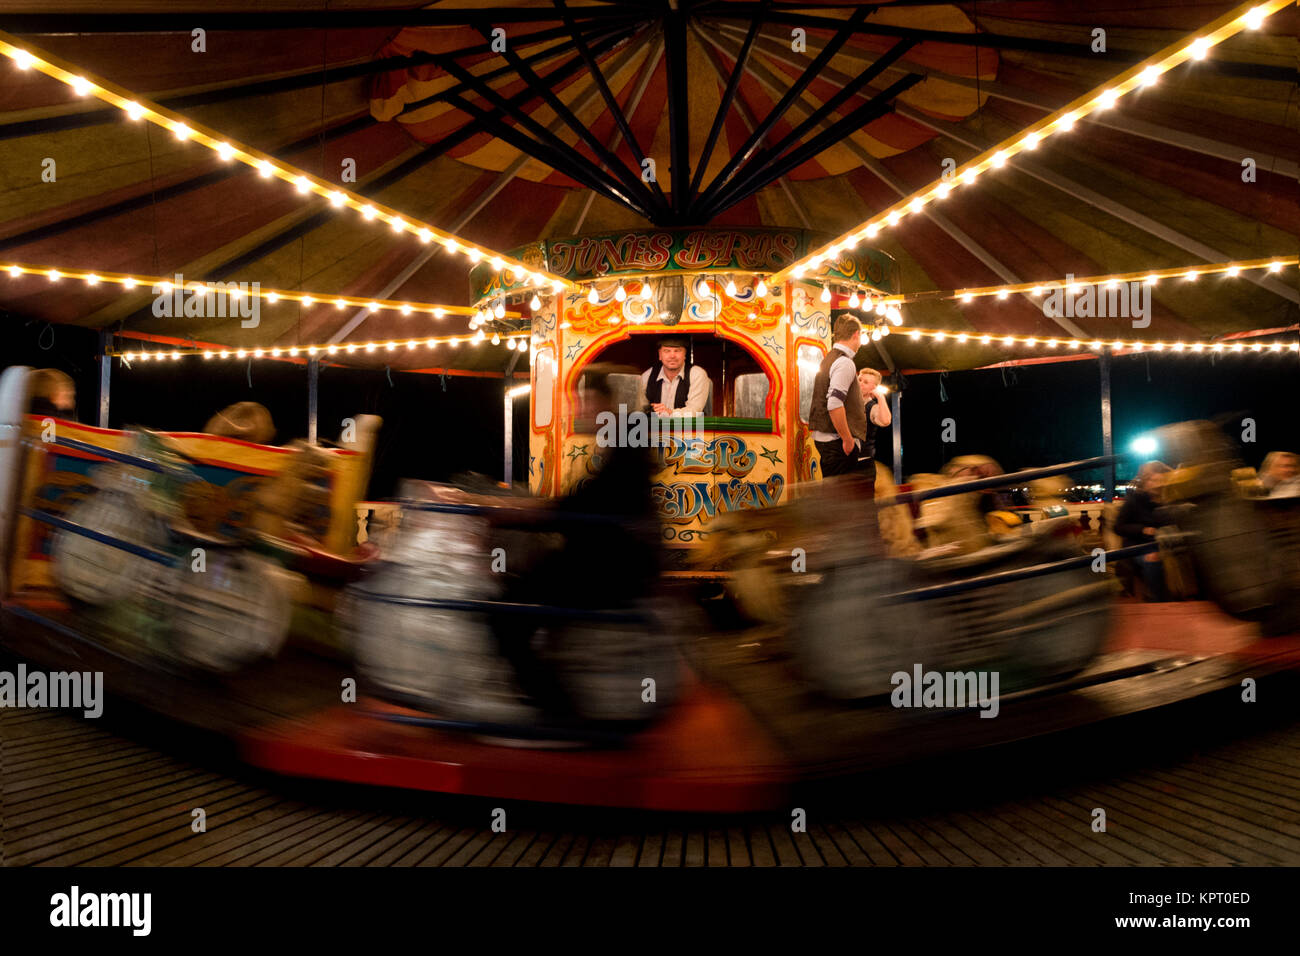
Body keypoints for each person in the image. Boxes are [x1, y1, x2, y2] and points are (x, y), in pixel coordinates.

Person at [492, 364, 661, 725]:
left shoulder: (626, 442)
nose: (579, 410)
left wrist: (528, 514)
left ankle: (555, 709)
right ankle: (545, 688)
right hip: (609, 557)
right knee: (526, 579)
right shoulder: (619, 442)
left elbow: (597, 504)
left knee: (507, 609)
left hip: (611, 566)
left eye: (584, 401)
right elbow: (590, 501)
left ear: (605, 400)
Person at [809, 314, 869, 479]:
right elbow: (834, 403)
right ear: (856, 334)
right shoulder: (844, 362)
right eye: (861, 336)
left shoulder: (828, 359)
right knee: (841, 498)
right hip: (837, 443)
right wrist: (847, 439)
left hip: (828, 440)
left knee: (834, 496)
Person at [1115, 460, 1172, 601]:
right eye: (1154, 480)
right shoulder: (1134, 500)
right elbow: (1118, 527)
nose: (1158, 485)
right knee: (1152, 557)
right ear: (1145, 482)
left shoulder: (1168, 499)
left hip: (1165, 542)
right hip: (1138, 545)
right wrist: (1143, 529)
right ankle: (1157, 600)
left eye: (1161, 481)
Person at [640, 336, 710, 416]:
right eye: (667, 351)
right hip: (655, 428)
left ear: (685, 354)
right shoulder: (647, 376)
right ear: (660, 354)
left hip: (690, 428)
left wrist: (670, 413)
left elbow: (694, 411)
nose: (672, 356)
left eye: (677, 351)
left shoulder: (697, 374)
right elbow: (640, 411)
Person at [854, 367, 892, 484]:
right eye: (859, 380)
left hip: (862, 464)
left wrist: (880, 397)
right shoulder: (849, 402)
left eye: (865, 382)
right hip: (844, 462)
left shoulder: (872, 407)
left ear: (873, 388)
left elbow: (886, 421)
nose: (860, 383)